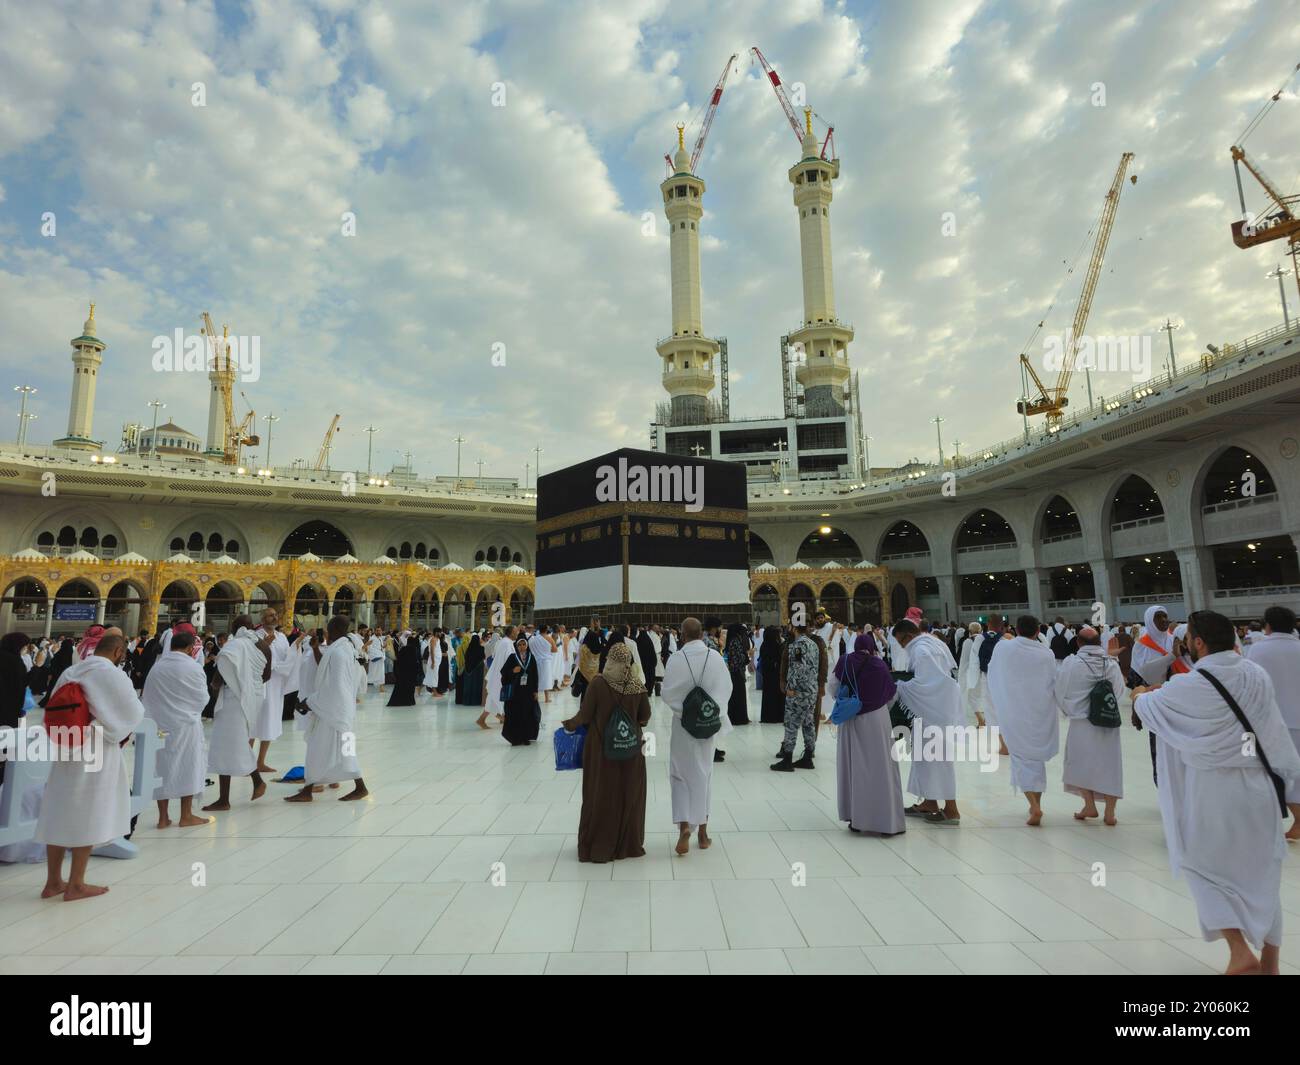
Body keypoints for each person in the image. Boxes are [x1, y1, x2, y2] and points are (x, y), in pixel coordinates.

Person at [1133, 610, 1300, 975]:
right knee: (1263, 876)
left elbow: (1149, 709)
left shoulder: (1187, 685)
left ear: (1197, 642)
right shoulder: (1256, 675)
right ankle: (1270, 965)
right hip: (1259, 789)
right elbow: (1274, 732)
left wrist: (1138, 694)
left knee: (1202, 868)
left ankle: (1239, 950)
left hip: (1213, 792)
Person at [36, 634, 142, 901]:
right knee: (89, 808)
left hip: (66, 745)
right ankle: (76, 884)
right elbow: (132, 714)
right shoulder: (112, 674)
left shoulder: (72, 671)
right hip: (95, 746)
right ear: (118, 651)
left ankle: (53, 881)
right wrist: (109, 732)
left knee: (61, 806)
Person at [560, 641, 653, 862]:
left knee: (601, 794)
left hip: (602, 752)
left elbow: (584, 717)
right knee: (628, 794)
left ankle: (600, 846)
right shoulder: (636, 685)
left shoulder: (598, 684)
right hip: (630, 750)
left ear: (609, 661)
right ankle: (628, 844)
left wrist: (569, 725)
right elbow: (645, 716)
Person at [660, 617, 732, 856]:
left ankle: (683, 829)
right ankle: (702, 833)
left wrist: (685, 712)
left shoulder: (676, 659)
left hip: (683, 727)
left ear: (682, 635)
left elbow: (667, 693)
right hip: (707, 725)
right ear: (702, 634)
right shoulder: (714, 657)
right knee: (704, 774)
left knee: (680, 774)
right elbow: (726, 688)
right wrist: (710, 711)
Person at [829, 632, 905, 835]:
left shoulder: (845, 661)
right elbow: (891, 693)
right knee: (881, 767)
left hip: (851, 719)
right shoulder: (879, 664)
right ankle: (886, 821)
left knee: (855, 767)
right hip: (877, 720)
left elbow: (833, 688)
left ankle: (857, 818)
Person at [286, 616, 369, 802]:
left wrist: (310, 702)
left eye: (328, 629)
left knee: (326, 749)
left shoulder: (339, 652)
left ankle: (358, 787)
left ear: (334, 630)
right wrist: (316, 648)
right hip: (341, 709)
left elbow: (336, 686)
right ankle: (312, 789)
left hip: (334, 711)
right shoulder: (344, 649)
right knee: (340, 749)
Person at [987, 614, 1059, 826]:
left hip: (1014, 711)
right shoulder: (1046, 653)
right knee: (1036, 760)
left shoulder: (1003, 648)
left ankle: (1034, 806)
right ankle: (1035, 804)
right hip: (1040, 712)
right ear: (1038, 631)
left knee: (1021, 758)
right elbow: (1053, 682)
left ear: (1016, 630)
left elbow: (993, 674)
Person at [892, 619, 963, 824]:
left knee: (939, 760)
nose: (902, 647)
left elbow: (930, 683)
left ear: (909, 636)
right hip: (933, 710)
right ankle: (929, 802)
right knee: (925, 758)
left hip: (934, 710)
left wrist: (900, 687)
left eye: (902, 642)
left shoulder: (921, 650)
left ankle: (951, 810)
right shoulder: (933, 643)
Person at [1054, 625, 1126, 825]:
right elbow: (1119, 691)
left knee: (1079, 763)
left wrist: (1069, 709)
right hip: (1107, 721)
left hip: (1082, 722)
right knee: (1110, 766)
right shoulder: (1110, 663)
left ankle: (1090, 805)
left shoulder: (1072, 663)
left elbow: (1060, 690)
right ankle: (1110, 813)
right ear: (1098, 643)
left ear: (1078, 643)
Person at [142, 628, 211, 828]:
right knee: (187, 767)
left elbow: (149, 697)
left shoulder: (157, 667)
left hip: (160, 725)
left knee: (161, 769)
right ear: (190, 648)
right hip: (185, 726)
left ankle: (163, 818)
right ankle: (186, 815)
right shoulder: (193, 667)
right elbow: (203, 699)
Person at [1245, 605, 1300, 841]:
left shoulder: (1258, 650)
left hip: (1267, 722)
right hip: (1297, 719)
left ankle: (1268, 823)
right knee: (1296, 773)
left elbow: (1250, 685)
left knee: (1262, 771)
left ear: (1267, 625)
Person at [204, 616, 271, 811]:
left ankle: (244, 788)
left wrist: (220, 687)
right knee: (234, 743)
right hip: (253, 698)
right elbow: (267, 675)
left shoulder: (233, 646)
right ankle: (230, 795)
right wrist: (250, 685)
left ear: (234, 628)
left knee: (225, 745)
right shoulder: (264, 646)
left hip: (234, 699)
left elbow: (219, 675)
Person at [772, 623, 820, 771]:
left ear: (794, 628)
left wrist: (790, 687)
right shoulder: (813, 644)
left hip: (798, 692)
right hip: (811, 690)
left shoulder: (797, 646)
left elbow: (797, 668)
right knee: (808, 723)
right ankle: (808, 757)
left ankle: (787, 759)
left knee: (791, 723)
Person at [252, 608, 294, 775]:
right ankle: (246, 762)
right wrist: (265, 645)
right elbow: (252, 657)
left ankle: (260, 762)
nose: (274, 617)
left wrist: (297, 646)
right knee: (254, 722)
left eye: (276, 614)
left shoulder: (282, 636)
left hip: (276, 685)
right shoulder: (256, 635)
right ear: (262, 619)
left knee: (269, 721)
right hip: (261, 683)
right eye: (270, 615)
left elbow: (287, 657)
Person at [499, 635, 540, 746]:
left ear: (527, 645)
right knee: (515, 714)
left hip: (527, 691)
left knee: (526, 714)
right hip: (515, 692)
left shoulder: (531, 657)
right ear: (516, 646)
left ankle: (525, 737)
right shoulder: (512, 657)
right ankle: (515, 738)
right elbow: (503, 672)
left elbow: (535, 675)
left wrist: (535, 691)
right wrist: (513, 671)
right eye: (519, 645)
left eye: (524, 644)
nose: (522, 647)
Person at [723, 621, 751, 726]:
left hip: (735, 672)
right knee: (738, 696)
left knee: (738, 696)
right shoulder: (735, 641)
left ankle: (738, 717)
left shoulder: (734, 640)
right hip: (736, 672)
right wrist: (746, 656)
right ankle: (738, 718)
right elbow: (737, 658)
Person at [758, 625, 786, 724]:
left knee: (772, 695)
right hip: (773, 674)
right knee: (774, 695)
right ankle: (775, 716)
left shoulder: (766, 644)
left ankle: (772, 716)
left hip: (771, 675)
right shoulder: (771, 645)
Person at [386, 630, 423, 706]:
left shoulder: (404, 649)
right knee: (410, 688)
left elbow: (398, 660)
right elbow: (416, 662)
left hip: (403, 673)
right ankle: (409, 701)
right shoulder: (414, 649)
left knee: (401, 687)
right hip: (411, 673)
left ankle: (401, 701)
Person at [455, 633, 484, 705]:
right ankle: (475, 701)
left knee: (468, 686)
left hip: (468, 671)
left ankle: (467, 701)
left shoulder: (468, 649)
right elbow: (483, 658)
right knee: (476, 686)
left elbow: (466, 658)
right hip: (477, 671)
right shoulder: (481, 649)